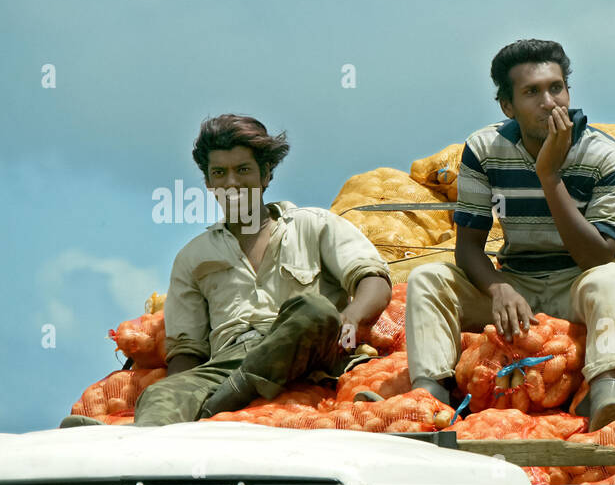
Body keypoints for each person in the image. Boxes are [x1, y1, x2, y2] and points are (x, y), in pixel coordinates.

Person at [60, 115, 392, 427]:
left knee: (315, 309)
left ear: (266, 175)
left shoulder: (314, 225)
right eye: (219, 174)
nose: (231, 183)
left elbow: (373, 280)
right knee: (162, 393)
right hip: (229, 362)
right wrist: (182, 390)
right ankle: (139, 444)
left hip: (314, 350)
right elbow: (187, 351)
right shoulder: (193, 257)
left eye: (243, 170)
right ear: (208, 182)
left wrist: (351, 317)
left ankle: (212, 408)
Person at [403, 39, 615, 431]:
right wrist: (499, 289)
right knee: (427, 278)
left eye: (556, 87)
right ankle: (429, 397)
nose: (549, 101)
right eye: (531, 92)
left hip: (582, 283)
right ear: (508, 106)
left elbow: (597, 257)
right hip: (519, 286)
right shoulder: (484, 150)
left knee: (614, 281)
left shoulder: (602, 154)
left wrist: (549, 176)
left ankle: (608, 392)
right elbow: (468, 248)